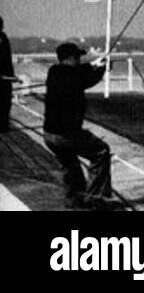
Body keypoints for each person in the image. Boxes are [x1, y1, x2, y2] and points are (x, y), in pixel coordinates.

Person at [42, 42, 112, 208]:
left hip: (49, 134)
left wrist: (93, 64)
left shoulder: (54, 71)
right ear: (73, 58)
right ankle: (96, 199)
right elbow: (88, 79)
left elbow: (80, 72)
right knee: (101, 151)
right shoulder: (74, 76)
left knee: (69, 163)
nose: (80, 60)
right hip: (67, 134)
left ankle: (74, 198)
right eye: (78, 58)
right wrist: (102, 68)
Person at [0, 16, 13, 131]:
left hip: (6, 78)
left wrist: (11, 76)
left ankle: (4, 125)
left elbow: (8, 60)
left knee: (6, 102)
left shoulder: (4, 38)